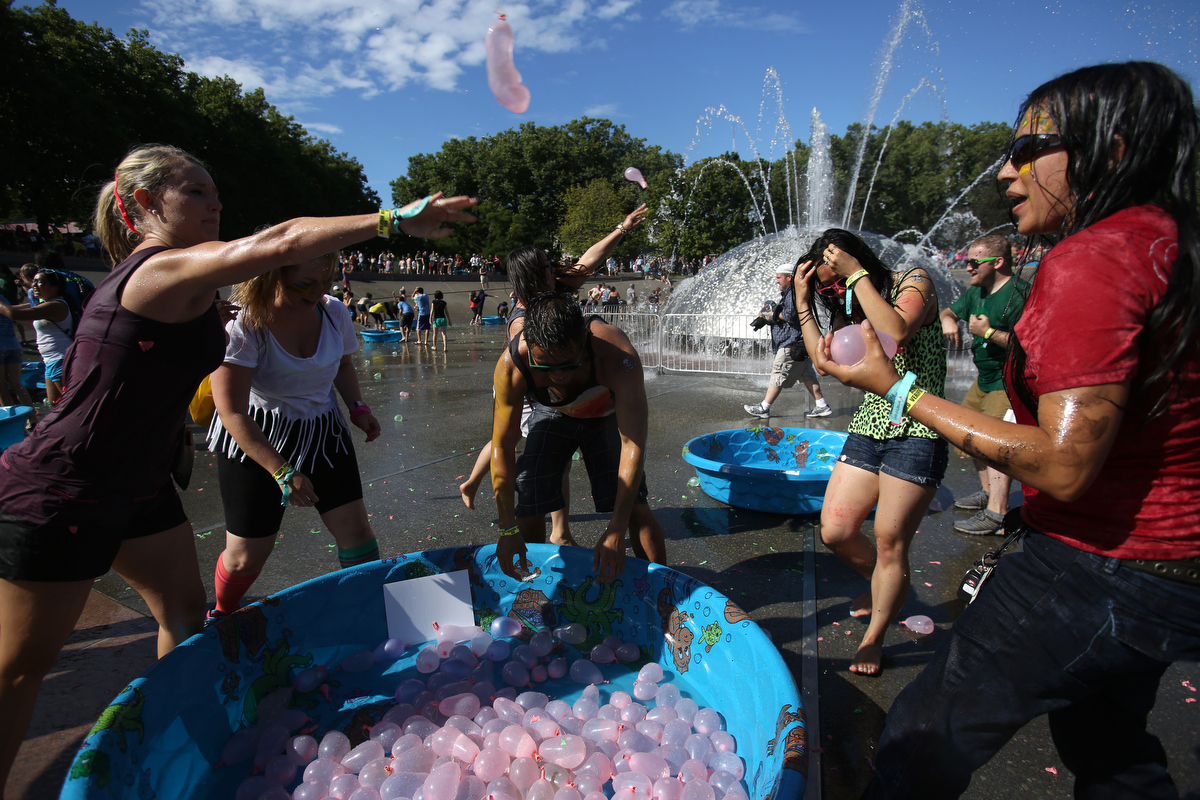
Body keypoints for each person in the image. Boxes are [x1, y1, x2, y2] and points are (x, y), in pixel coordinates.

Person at [0, 142, 476, 791]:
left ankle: (190, 752)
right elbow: (280, 247)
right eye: (195, 191)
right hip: (66, 485)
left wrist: (355, 404)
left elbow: (297, 318)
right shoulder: (156, 271)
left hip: (142, 486)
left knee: (183, 613)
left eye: (214, 190)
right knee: (22, 668)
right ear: (144, 204)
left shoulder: (207, 290)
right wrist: (393, 221)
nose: (215, 202)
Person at [814, 63, 1200, 798]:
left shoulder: (1099, 255)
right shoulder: (1172, 245)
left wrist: (897, 390)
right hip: (1176, 565)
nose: (1004, 171)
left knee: (919, 742)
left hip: (1101, 564)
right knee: (1110, 747)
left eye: (1029, 149)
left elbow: (1060, 465)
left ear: (1110, 150)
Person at [795, 229, 947, 676]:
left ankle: (874, 638)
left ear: (854, 261)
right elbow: (823, 363)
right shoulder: (855, 303)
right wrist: (804, 301)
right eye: (828, 286)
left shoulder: (912, 282)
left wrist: (853, 275)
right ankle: (885, 587)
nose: (834, 290)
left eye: (834, 280)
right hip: (869, 426)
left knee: (889, 541)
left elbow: (897, 328)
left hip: (919, 428)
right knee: (836, 532)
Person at [206, 253, 381, 621]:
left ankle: (365, 611)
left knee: (355, 530)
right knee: (245, 557)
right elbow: (232, 411)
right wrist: (282, 472)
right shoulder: (245, 323)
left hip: (322, 432)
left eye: (326, 283)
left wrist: (357, 407)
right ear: (271, 277)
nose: (318, 293)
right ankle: (222, 612)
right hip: (256, 437)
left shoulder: (333, 311)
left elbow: (345, 364)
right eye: (306, 285)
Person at [458, 205, 648, 516]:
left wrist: (622, 229)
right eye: (548, 266)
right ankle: (481, 486)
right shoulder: (522, 318)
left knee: (544, 454)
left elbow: (588, 262)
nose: (555, 269)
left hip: (550, 380)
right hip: (529, 383)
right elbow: (536, 367)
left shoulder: (553, 288)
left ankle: (559, 530)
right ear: (533, 274)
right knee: (529, 449)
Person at [491, 292, 665, 583]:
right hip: (553, 414)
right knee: (530, 497)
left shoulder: (617, 355)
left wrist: (615, 529)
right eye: (546, 366)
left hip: (606, 417)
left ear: (584, 342)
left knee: (634, 504)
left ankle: (663, 590)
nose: (558, 376)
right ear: (529, 346)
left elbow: (632, 443)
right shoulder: (512, 364)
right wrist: (507, 529)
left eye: (569, 365)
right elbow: (502, 445)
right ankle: (531, 589)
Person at [939, 234, 1030, 535]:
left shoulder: (1019, 295)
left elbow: (1029, 346)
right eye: (966, 262)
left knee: (992, 444)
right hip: (984, 378)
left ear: (998, 262)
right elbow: (949, 310)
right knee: (966, 436)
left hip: (1009, 382)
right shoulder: (977, 290)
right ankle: (988, 491)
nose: (968, 268)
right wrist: (948, 319)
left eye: (974, 262)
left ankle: (998, 514)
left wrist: (988, 332)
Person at [744, 262, 831, 420]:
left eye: (779, 278)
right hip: (799, 343)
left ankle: (764, 407)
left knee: (778, 373)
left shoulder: (793, 294)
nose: (777, 281)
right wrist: (768, 318)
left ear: (789, 278)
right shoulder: (793, 293)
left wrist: (772, 314)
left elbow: (790, 315)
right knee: (808, 376)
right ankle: (821, 405)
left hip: (791, 343)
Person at [0, 270, 75, 403]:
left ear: (55, 287)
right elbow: (24, 319)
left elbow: (14, 314)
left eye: (40, 282)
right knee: (55, 405)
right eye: (34, 281)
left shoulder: (57, 305)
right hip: (50, 361)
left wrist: (6, 308)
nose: (34, 285)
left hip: (61, 360)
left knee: (71, 404)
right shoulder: (46, 305)